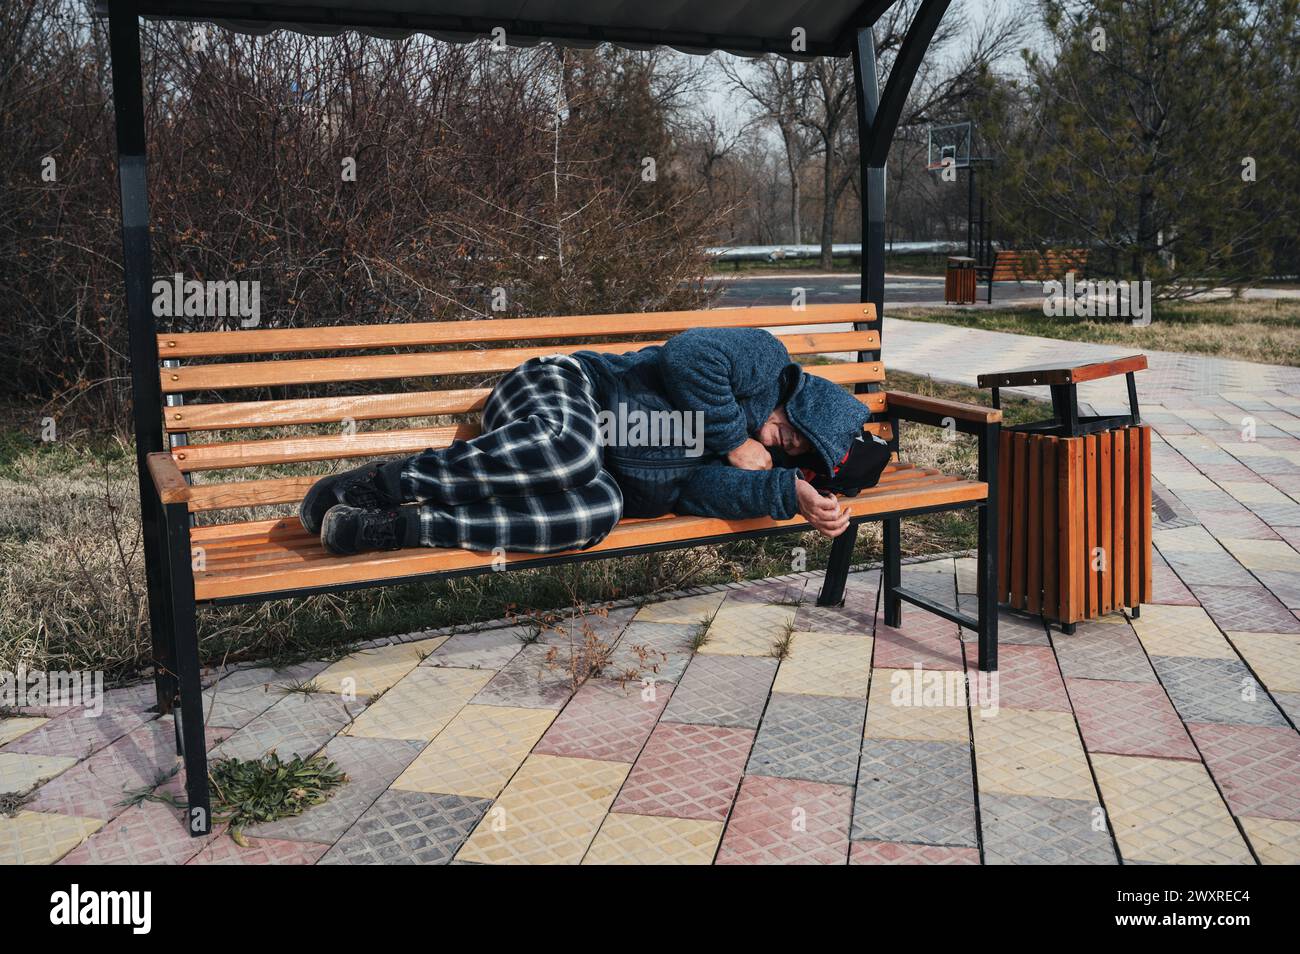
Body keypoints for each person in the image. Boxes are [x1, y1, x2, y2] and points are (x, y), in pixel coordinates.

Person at [299, 327, 891, 556]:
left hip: (587, 469)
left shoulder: (768, 465)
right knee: (573, 450)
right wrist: (733, 437)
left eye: (796, 457)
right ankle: (380, 484)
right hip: (565, 390)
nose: (781, 445)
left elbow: (696, 494)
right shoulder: (766, 361)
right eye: (791, 436)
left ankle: (392, 528)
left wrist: (783, 492)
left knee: (598, 511)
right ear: (803, 403)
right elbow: (687, 354)